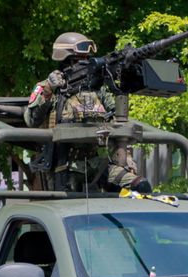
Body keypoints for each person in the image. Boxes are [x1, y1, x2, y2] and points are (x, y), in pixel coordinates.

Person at [24, 32, 151, 193]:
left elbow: (117, 121)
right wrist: (49, 88)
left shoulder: (97, 91)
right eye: (79, 60)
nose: (85, 63)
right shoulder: (51, 88)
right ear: (65, 60)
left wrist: (127, 157)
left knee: (141, 186)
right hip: (64, 167)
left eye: (87, 59)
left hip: (97, 164)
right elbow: (32, 120)